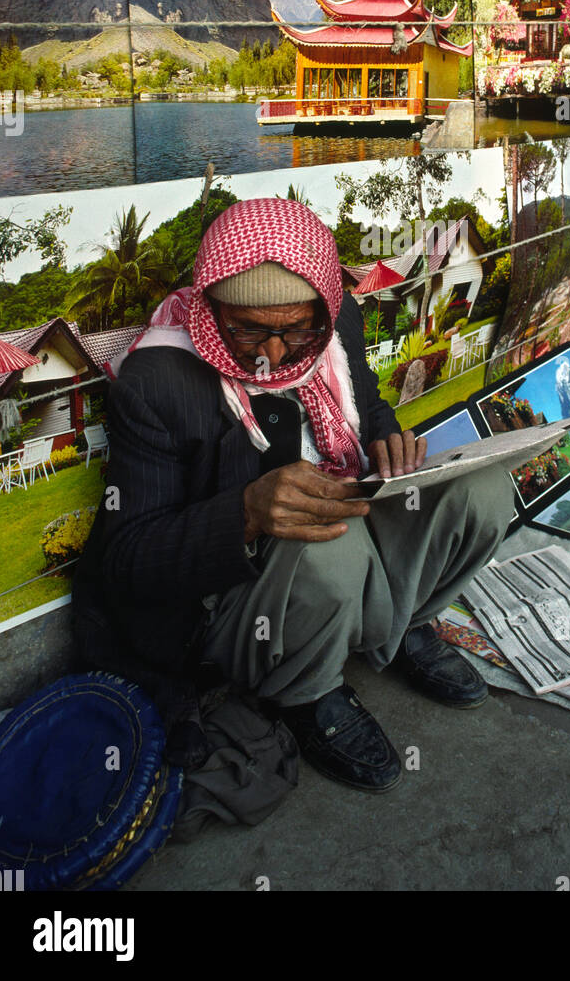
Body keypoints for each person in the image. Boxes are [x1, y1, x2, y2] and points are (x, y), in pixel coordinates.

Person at [72, 197, 514, 793]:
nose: (271, 353)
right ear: (211, 309)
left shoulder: (339, 324)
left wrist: (388, 442)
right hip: (243, 591)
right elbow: (128, 559)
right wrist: (245, 513)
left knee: (482, 490)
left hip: (347, 522)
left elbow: (370, 404)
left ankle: (406, 622)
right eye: (247, 328)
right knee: (331, 546)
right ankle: (309, 692)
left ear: (324, 308)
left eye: (295, 329)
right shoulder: (158, 383)